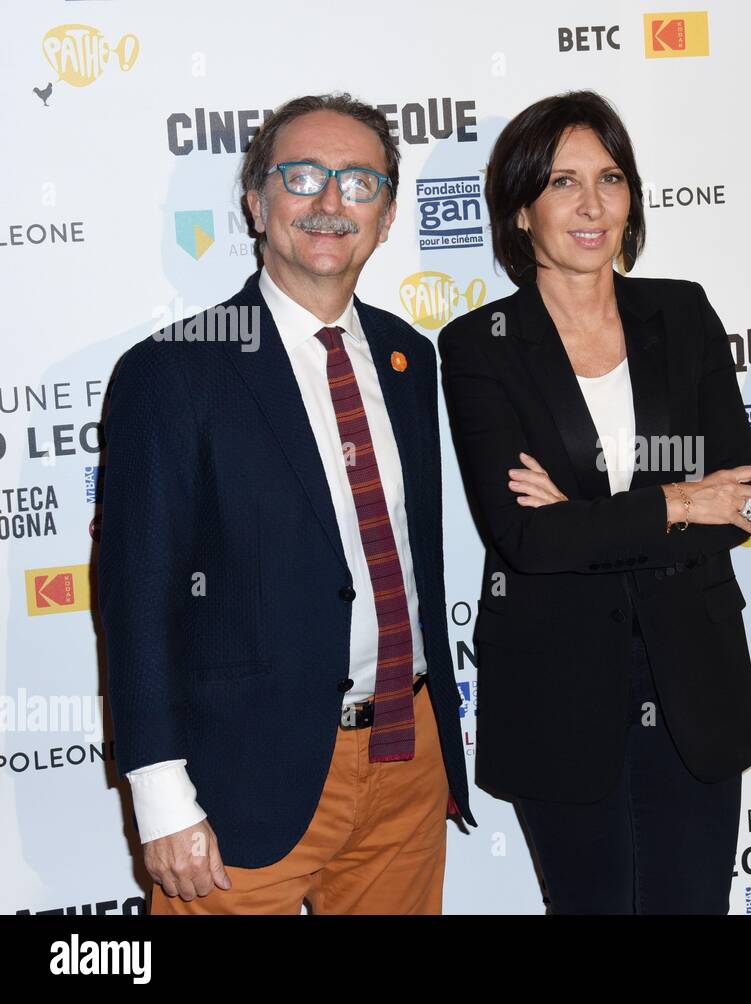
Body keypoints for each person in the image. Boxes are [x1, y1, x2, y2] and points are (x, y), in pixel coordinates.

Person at [99, 92, 473, 914]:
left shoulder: (412, 360)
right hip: (241, 780)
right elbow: (137, 600)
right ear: (255, 203)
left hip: (407, 761)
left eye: (359, 182)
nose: (331, 202)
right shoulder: (174, 371)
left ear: (387, 213)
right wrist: (161, 795)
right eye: (303, 177)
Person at [438, 90, 751, 914]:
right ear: (519, 211)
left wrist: (590, 516)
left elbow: (744, 505)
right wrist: (677, 505)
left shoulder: (682, 313)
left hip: (695, 689)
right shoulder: (481, 345)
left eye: (611, 178)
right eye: (561, 182)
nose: (592, 205)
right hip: (559, 696)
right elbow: (527, 541)